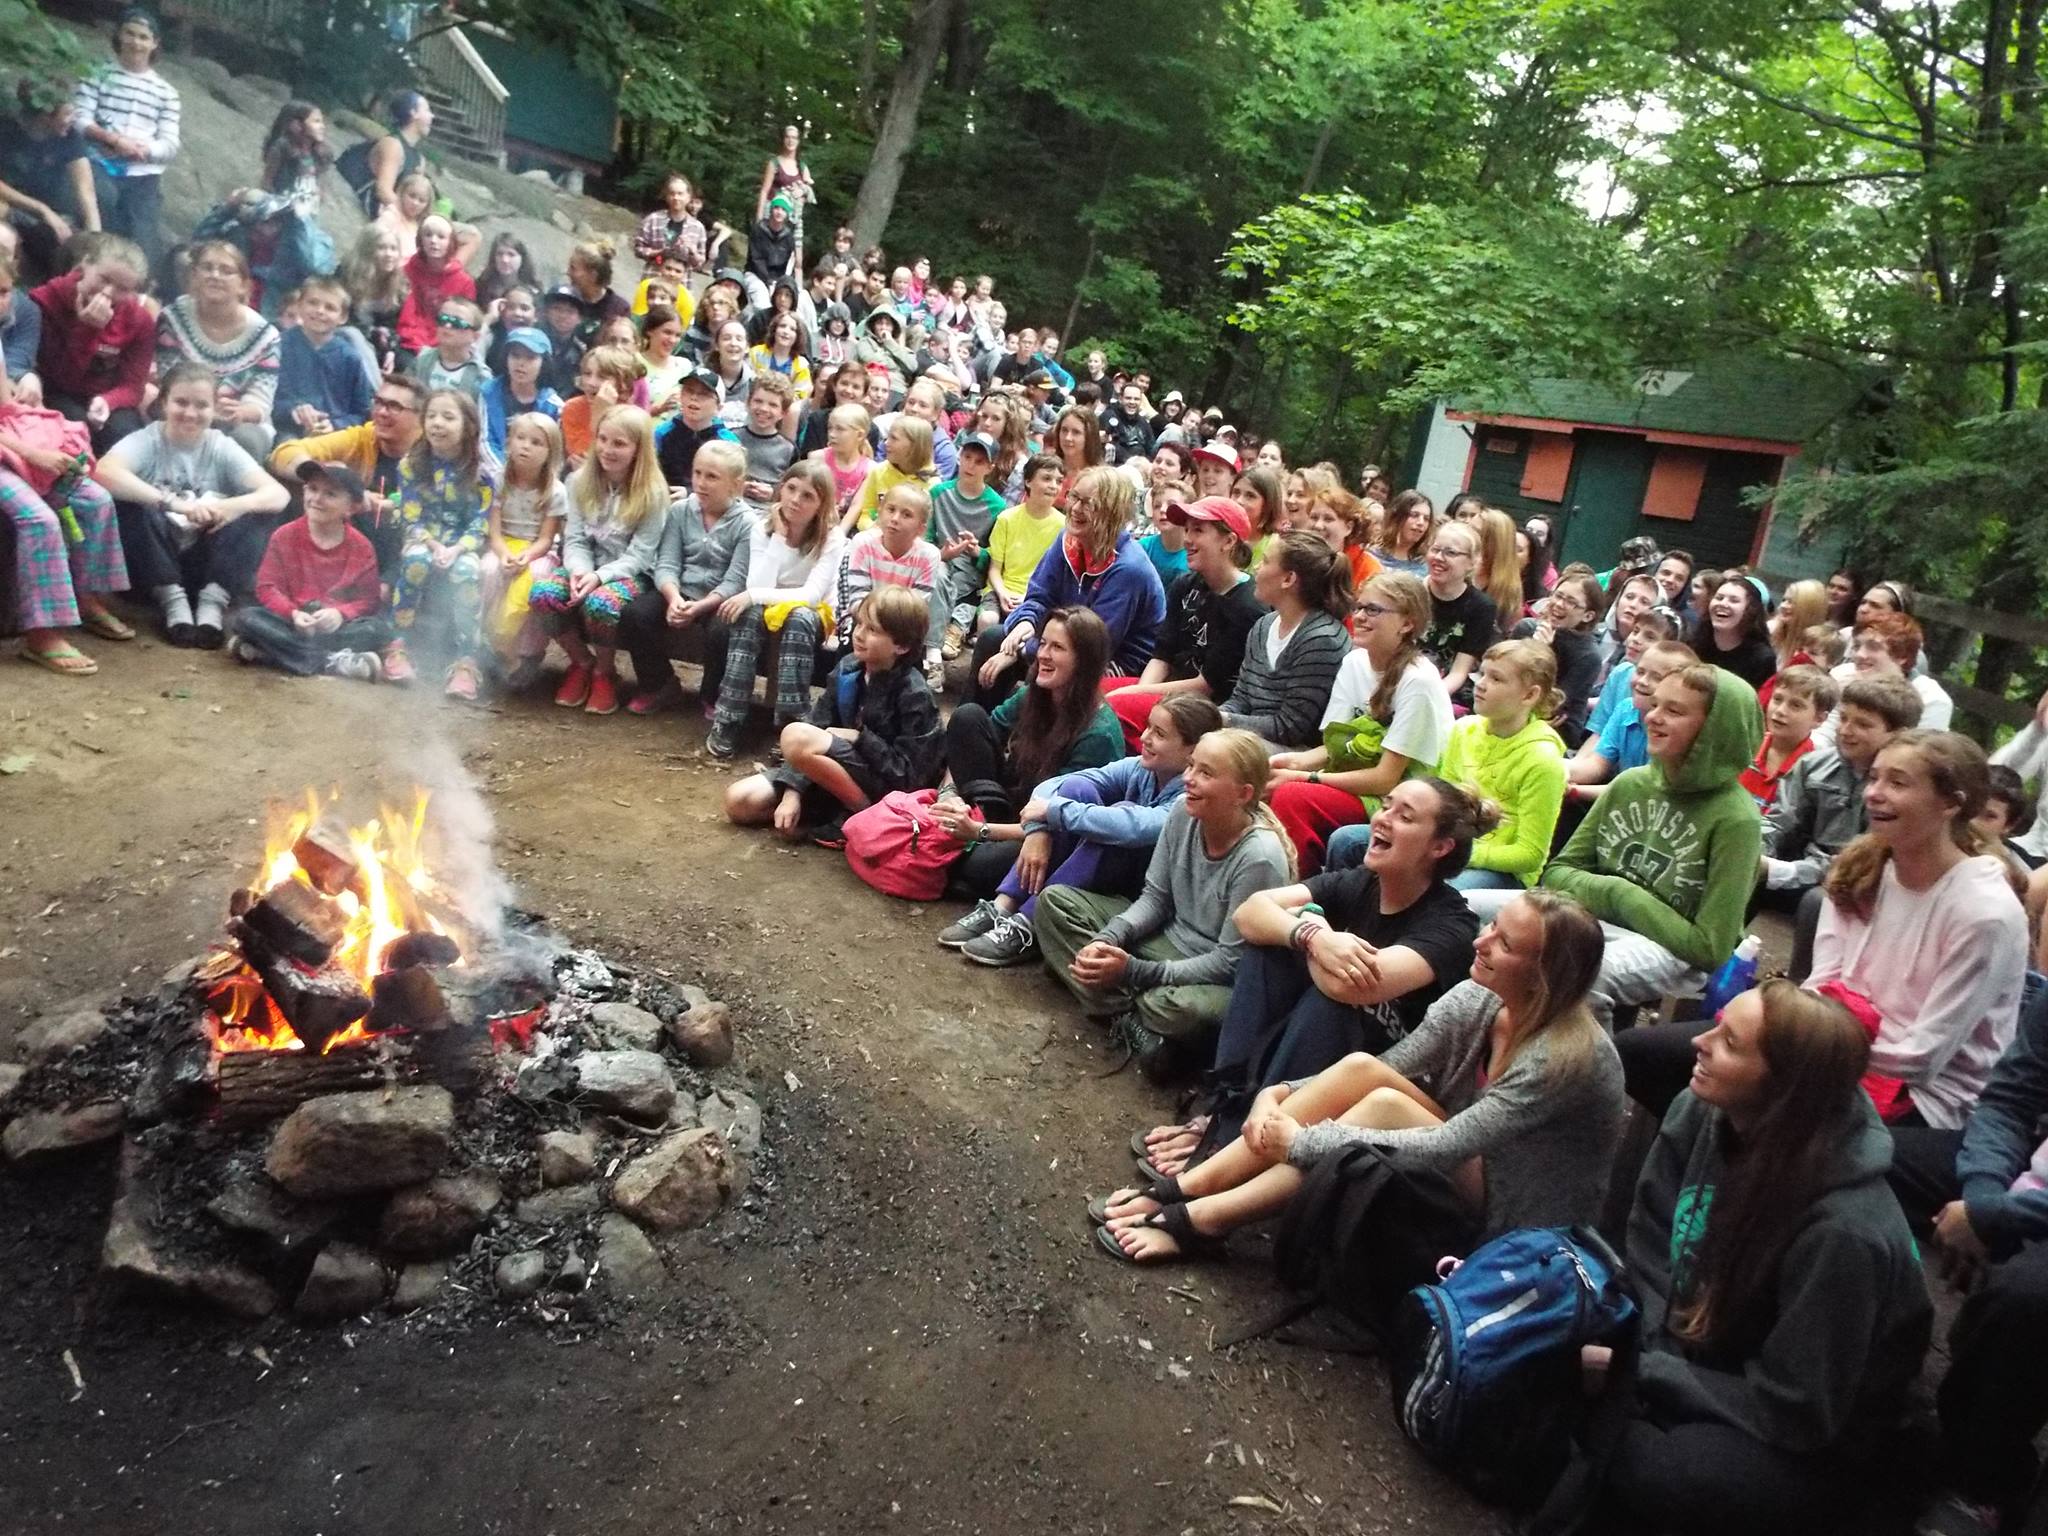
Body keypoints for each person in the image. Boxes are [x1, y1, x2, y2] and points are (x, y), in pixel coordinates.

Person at [1099, 890, 1623, 1268]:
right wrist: (1277, 1095)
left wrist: (1302, 1140)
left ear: (1542, 977)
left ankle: (1208, 1219)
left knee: (1384, 1108)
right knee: (1365, 1071)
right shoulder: (1478, 999)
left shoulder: (1562, 1058)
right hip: (1463, 1167)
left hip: (1511, 1227)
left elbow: (1445, 1146)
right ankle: (1189, 1187)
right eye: (1492, 927)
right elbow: (1391, 1067)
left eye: (1504, 943)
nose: (1481, 942)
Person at [1593, 981, 1932, 1535]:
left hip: (1807, 1440)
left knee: (1654, 1466)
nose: (1700, 1042)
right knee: (1555, 1343)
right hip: (1701, 1356)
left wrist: (1643, 1373)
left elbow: (1796, 1408)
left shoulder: (1847, 1234)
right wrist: (1646, 1349)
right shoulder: (1702, 1110)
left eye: (1729, 1042)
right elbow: (1650, 1237)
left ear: (1782, 1088)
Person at [1138, 777, 1489, 1174]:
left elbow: (1350, 986)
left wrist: (1307, 935)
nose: (1384, 819)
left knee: (1330, 1001)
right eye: (1386, 806)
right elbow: (1251, 914)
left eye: (1404, 817)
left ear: (1439, 847)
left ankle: (1239, 1141)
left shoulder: (1452, 924)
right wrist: (1312, 935)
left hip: (1384, 1076)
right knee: (1267, 952)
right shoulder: (1360, 882)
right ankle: (1229, 1113)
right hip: (1313, 1048)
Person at [1472, 662, 1763, 1029]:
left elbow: (1709, 947)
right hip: (1594, 917)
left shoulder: (1736, 819)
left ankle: (1582, 1077)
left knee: (1588, 973)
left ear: (1716, 731)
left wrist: (1621, 896)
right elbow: (1558, 873)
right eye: (1654, 705)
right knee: (1467, 908)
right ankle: (1474, 1034)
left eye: (1673, 711)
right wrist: (1612, 893)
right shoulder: (1630, 783)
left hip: (1672, 950)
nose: (1653, 717)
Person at [1037, 729, 1295, 1074]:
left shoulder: (1260, 857)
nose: (1188, 779)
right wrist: (1108, 938)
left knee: (1182, 1009)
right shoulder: (1182, 812)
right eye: (1191, 766)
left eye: (1206, 773)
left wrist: (1134, 970)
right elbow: (1155, 899)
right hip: (1164, 941)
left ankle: (1112, 999)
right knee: (1055, 903)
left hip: (1212, 976)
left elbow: (1230, 961)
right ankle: (1134, 1020)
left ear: (1242, 793)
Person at [1887, 985, 2048, 1536]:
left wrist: (1997, 1216)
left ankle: (1982, 1482)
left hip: (2029, 1202)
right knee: (1849, 1161)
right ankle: (1862, 1378)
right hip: (2025, 1176)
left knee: (2025, 1300)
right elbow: (2011, 1098)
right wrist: (1982, 1192)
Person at [1808, 732, 2030, 1129]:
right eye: (1874, 778)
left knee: (1772, 1120)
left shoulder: (1985, 911)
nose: (1874, 793)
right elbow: (1822, 982)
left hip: (1930, 1098)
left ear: (1950, 803)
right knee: (1698, 1078)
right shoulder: (1859, 871)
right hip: (1834, 1053)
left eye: (1897, 782)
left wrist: (1809, 1044)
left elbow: (1922, 1058)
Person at [940, 695, 1217, 966]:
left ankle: (1030, 923)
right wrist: (1039, 829)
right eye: (1147, 727)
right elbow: (1056, 786)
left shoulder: (1187, 798)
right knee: (1076, 790)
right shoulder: (1141, 770)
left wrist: (1053, 813)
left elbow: (1136, 827)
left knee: (1113, 822)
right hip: (1075, 852)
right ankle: (1004, 905)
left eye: (1159, 734)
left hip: (1145, 894)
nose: (1144, 738)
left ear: (1192, 751)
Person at [1328, 639, 1567, 892]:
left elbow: (1529, 855)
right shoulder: (1464, 729)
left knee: (1442, 888)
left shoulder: (1544, 760)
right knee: (1347, 841)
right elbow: (1443, 807)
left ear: (1530, 695)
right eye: (1482, 673)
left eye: (1497, 679)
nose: (1481, 685)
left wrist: (1451, 853)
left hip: (1498, 870)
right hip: (1444, 844)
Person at [931, 606, 1125, 898]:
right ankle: (973, 849)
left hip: (1047, 833)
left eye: (1057, 647)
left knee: (974, 866)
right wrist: (950, 796)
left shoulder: (1098, 734)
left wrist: (979, 831)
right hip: (1009, 806)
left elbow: (1060, 823)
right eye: (1043, 643)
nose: (1043, 654)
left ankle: (975, 861)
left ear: (1084, 662)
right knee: (967, 717)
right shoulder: (1035, 694)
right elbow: (978, 739)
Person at [1268, 571, 1452, 876]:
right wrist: (1294, 763)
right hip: (1355, 781)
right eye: (1359, 607)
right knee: (1258, 773)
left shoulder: (1418, 682)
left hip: (1398, 800)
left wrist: (1307, 778)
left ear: (1407, 624)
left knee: (1293, 795)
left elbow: (1385, 780)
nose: (1361, 617)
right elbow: (1334, 748)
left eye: (1374, 610)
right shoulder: (1354, 662)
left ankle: (1298, 893)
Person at [95, 361, 289, 646]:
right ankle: (174, 604)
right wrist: (171, 503)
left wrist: (232, 507)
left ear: (214, 408)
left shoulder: (219, 444)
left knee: (259, 511)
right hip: (152, 568)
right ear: (164, 403)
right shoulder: (148, 440)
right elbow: (104, 471)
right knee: (129, 504)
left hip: (204, 564)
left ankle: (213, 603)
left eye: (201, 405)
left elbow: (278, 495)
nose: (190, 413)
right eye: (181, 403)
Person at [725, 584, 942, 837]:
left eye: (872, 630)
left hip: (884, 790)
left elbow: (908, 777)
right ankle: (832, 815)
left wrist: (861, 738)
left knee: (796, 736)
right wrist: (792, 793)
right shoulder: (848, 668)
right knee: (739, 801)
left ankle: (862, 817)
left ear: (902, 646)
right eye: (859, 624)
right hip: (833, 776)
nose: (859, 635)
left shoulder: (915, 694)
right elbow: (818, 724)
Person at [971, 465, 1165, 706]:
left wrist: (1026, 649)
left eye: (1088, 503)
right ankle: (977, 728)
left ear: (1112, 512)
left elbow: (1090, 645)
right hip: (1063, 639)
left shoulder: (1129, 568)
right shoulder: (1068, 540)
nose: (1074, 508)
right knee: (994, 638)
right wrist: (1025, 623)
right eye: (1074, 496)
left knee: (1051, 674)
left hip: (1113, 661)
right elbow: (1040, 597)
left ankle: (1021, 735)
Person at [531, 405, 671, 717]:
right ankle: (582, 661)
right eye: (603, 439)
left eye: (619, 443)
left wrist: (599, 577)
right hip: (585, 564)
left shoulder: (653, 493)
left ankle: (604, 672)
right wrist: (580, 571)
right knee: (544, 594)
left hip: (631, 573)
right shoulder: (579, 481)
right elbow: (576, 538)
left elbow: (640, 555)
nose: (608, 449)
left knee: (600, 603)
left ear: (639, 449)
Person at [705, 459, 844, 757]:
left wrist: (754, 595)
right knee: (750, 614)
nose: (795, 500)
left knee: (798, 618)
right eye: (791, 488)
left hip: (810, 613)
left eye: (808, 496)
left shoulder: (831, 537)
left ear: (821, 504)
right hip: (765, 609)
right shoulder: (762, 529)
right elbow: (759, 583)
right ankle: (729, 716)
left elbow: (810, 595)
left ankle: (792, 724)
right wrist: (780, 537)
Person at [1104, 495, 1265, 746]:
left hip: (1203, 705)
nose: (1187, 538)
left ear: (1228, 541)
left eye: (1198, 530)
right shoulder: (1185, 584)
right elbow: (1162, 656)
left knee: (1111, 707)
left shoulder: (1247, 607)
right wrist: (1138, 694)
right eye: (1187, 529)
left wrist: (1133, 697)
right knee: (1086, 691)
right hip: (1167, 689)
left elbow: (1205, 686)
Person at [0, 365, 128, 675]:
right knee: (39, 519)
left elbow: (6, 409)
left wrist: (46, 429)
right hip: (14, 453)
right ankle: (42, 635)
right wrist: (34, 454)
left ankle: (86, 596)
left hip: (12, 443)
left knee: (95, 501)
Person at [618, 438, 751, 716]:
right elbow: (667, 562)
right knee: (635, 615)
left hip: (717, 599)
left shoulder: (747, 523)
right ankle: (659, 684)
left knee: (722, 630)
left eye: (712, 477)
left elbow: (735, 579)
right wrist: (674, 597)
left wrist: (701, 607)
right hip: (681, 590)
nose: (701, 483)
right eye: (698, 473)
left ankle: (712, 695)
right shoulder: (680, 511)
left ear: (736, 484)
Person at [227, 460, 388, 680]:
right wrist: (292, 613)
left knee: (377, 630)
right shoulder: (284, 535)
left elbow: (369, 600)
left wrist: (340, 614)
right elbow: (267, 587)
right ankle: (332, 662)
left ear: (352, 507)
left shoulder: (361, 546)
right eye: (312, 489)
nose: (316, 499)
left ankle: (269, 654)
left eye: (330, 494)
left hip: (334, 629)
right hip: (292, 622)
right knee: (245, 618)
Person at [384, 389, 492, 699]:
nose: (437, 424)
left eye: (448, 417)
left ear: (468, 425)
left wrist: (458, 548)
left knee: (468, 572)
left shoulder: (482, 471)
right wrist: (431, 545)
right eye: (431, 416)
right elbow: (410, 515)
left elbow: (480, 521)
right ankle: (399, 646)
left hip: (463, 544)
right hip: (424, 538)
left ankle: (467, 660)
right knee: (415, 560)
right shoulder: (410, 465)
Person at [270, 373, 426, 583]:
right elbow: (284, 452)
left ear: (421, 417)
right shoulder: (363, 437)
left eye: (394, 406)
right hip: (355, 547)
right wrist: (325, 474)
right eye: (378, 402)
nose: (381, 412)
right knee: (312, 494)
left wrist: (382, 505)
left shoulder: (432, 450)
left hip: (409, 547)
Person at [1216, 532, 1354, 754]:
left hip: (1297, 752)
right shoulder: (1263, 626)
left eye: (1267, 561)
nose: (1257, 568)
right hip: (1250, 737)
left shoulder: (1322, 640)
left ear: (1288, 579)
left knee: (1213, 749)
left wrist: (1221, 721)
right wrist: (1212, 719)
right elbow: (1241, 698)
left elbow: (1290, 727)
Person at [71, 8, 179, 266]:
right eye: (129, 34)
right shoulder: (97, 74)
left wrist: (144, 149)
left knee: (143, 246)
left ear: (155, 43)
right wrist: (111, 139)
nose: (135, 42)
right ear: (118, 35)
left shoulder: (165, 92)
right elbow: (79, 118)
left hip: (142, 174)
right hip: (98, 164)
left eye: (143, 37)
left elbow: (170, 143)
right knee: (101, 218)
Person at [154, 241, 281, 460]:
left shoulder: (265, 336)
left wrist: (240, 412)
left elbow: (261, 397)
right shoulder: (173, 318)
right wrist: (201, 409)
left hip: (237, 420)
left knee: (247, 439)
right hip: (183, 409)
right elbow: (168, 379)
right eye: (207, 267)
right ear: (193, 276)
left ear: (244, 285)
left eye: (226, 271)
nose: (215, 275)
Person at [480, 412, 566, 687]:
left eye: (536, 442)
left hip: (538, 551)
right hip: (504, 543)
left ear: (550, 452)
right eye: (520, 438)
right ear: (509, 443)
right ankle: (485, 643)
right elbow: (493, 529)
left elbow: (546, 538)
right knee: (489, 571)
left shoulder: (555, 491)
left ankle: (525, 653)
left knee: (533, 582)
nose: (525, 446)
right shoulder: (497, 481)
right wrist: (504, 553)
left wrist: (525, 557)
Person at [1565, 636, 1698, 802]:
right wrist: (1550, 768)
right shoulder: (1625, 709)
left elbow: (1645, 789)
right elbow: (1596, 765)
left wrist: (1576, 791)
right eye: (1640, 671)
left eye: (1657, 677)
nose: (1642, 681)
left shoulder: (1676, 729)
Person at [925, 431, 1006, 679]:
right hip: (941, 561)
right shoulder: (938, 493)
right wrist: (942, 553)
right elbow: (927, 537)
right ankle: (933, 652)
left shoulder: (998, 506)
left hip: (970, 572)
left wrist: (976, 551)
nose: (970, 465)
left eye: (979, 461)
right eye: (967, 456)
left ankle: (958, 624)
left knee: (961, 585)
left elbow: (995, 555)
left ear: (990, 467)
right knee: (938, 576)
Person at [2, 78, 100, 278]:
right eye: (67, 113)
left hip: (54, 213)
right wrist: (42, 209)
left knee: (73, 247)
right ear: (46, 116)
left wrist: (96, 239)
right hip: (13, 206)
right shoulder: (5, 129)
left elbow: (85, 191)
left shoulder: (70, 136)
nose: (73, 119)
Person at [1816, 609, 1955, 745]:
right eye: (1857, 646)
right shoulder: (1842, 674)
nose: (1859, 655)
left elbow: (1919, 757)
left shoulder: (1931, 699)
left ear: (1902, 656)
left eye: (1873, 647)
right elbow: (1822, 735)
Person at [272, 275, 373, 445]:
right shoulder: (279, 346)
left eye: (330, 308)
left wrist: (335, 425)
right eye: (313, 303)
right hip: (289, 432)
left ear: (343, 317)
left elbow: (362, 412)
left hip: (336, 436)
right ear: (299, 305)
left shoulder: (350, 357)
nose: (320, 311)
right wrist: (293, 410)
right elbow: (268, 399)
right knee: (290, 450)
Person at [983, 450, 1065, 631]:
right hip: (1001, 590)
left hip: (1036, 595)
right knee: (987, 620)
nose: (1053, 486)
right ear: (1028, 481)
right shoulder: (1007, 519)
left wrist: (1028, 597)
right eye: (1046, 478)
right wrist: (1003, 593)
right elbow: (995, 569)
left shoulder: (1063, 527)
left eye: (1059, 481)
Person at [1738, 662, 1835, 812]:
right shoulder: (1744, 745)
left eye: (1796, 705)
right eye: (1777, 699)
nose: (1780, 711)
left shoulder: (1815, 773)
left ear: (1819, 719)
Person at [1418, 519, 1496, 702]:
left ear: (1471, 562)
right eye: (1435, 549)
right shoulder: (1411, 591)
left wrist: (1425, 698)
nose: (1438, 557)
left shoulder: (1482, 607)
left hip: (1443, 693)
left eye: (1450, 553)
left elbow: (1459, 672)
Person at [395, 217, 479, 362]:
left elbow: (463, 322)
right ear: (420, 240)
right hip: (410, 340)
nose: (434, 241)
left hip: (446, 343)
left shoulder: (464, 282)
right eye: (428, 235)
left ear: (450, 243)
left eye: (441, 237)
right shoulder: (409, 270)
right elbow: (407, 315)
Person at [338, 90, 431, 218]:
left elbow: (418, 195)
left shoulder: (420, 159)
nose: (432, 116)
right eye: (427, 110)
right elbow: (383, 191)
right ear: (413, 113)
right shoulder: (393, 145)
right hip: (377, 208)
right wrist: (410, 217)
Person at [480, 328, 563, 461]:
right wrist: (503, 476)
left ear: (544, 363)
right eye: (515, 355)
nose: (521, 363)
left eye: (531, 357)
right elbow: (484, 442)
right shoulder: (488, 392)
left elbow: (554, 454)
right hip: (493, 474)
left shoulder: (554, 406)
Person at [1689, 574, 1779, 689]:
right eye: (1719, 598)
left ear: (1750, 610)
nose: (1723, 604)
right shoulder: (1694, 640)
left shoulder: (1762, 659)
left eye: (1734, 600)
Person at [258, 100, 330, 222]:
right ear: (296, 124)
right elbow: (267, 182)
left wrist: (317, 197)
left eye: (321, 121)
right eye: (316, 121)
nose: (322, 126)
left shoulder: (319, 153)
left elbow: (319, 186)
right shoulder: (282, 147)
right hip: (280, 211)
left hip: (306, 215)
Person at [410, 295, 489, 404]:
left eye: (457, 323)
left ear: (475, 337)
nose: (447, 326)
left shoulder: (481, 376)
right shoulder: (421, 361)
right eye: (442, 320)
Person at [736, 372, 797, 508]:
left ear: (783, 413)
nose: (764, 409)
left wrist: (774, 495)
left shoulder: (788, 449)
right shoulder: (731, 438)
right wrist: (739, 487)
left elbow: (793, 490)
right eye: (758, 401)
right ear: (748, 403)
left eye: (773, 405)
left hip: (767, 511)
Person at [754, 126, 814, 260]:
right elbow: (764, 191)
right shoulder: (774, 163)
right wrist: (759, 219)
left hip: (792, 217)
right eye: (788, 137)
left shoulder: (802, 166)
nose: (790, 141)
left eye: (794, 138)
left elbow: (809, 193)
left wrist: (802, 191)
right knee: (765, 251)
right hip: (772, 212)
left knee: (794, 257)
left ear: (798, 141)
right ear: (783, 139)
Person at [634, 172, 708, 276]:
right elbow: (638, 249)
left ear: (689, 197)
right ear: (666, 196)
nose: (676, 197)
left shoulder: (698, 228)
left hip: (681, 284)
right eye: (672, 193)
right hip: (653, 277)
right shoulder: (653, 219)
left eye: (680, 194)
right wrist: (659, 252)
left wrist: (693, 252)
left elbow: (700, 263)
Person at [1370, 489, 1434, 576]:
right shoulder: (1371, 555)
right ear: (1397, 517)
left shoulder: (1425, 566)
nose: (1421, 522)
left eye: (1426, 519)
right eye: (1414, 515)